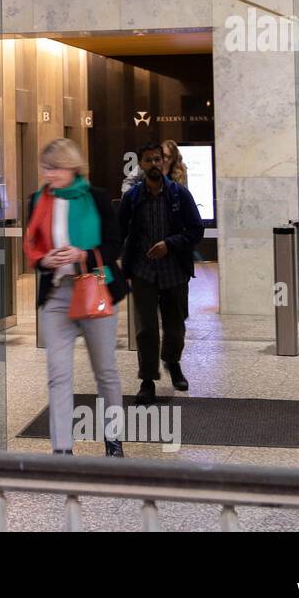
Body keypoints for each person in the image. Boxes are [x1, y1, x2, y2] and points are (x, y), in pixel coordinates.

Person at [24, 139, 129, 457]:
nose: (48, 174)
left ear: (71, 167)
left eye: (53, 168)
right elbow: (33, 248)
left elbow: (115, 244)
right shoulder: (38, 201)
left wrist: (83, 254)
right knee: (58, 374)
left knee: (105, 371)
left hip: (95, 289)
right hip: (58, 294)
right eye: (44, 168)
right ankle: (62, 450)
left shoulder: (95, 198)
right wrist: (45, 260)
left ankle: (113, 441)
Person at [117, 141, 205, 406]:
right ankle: (147, 380)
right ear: (141, 165)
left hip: (174, 271)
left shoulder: (179, 195)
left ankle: (173, 362)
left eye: (158, 159)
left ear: (164, 162)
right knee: (145, 328)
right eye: (148, 161)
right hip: (143, 272)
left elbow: (196, 230)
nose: (154, 164)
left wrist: (170, 244)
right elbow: (120, 231)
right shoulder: (132, 199)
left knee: (175, 326)